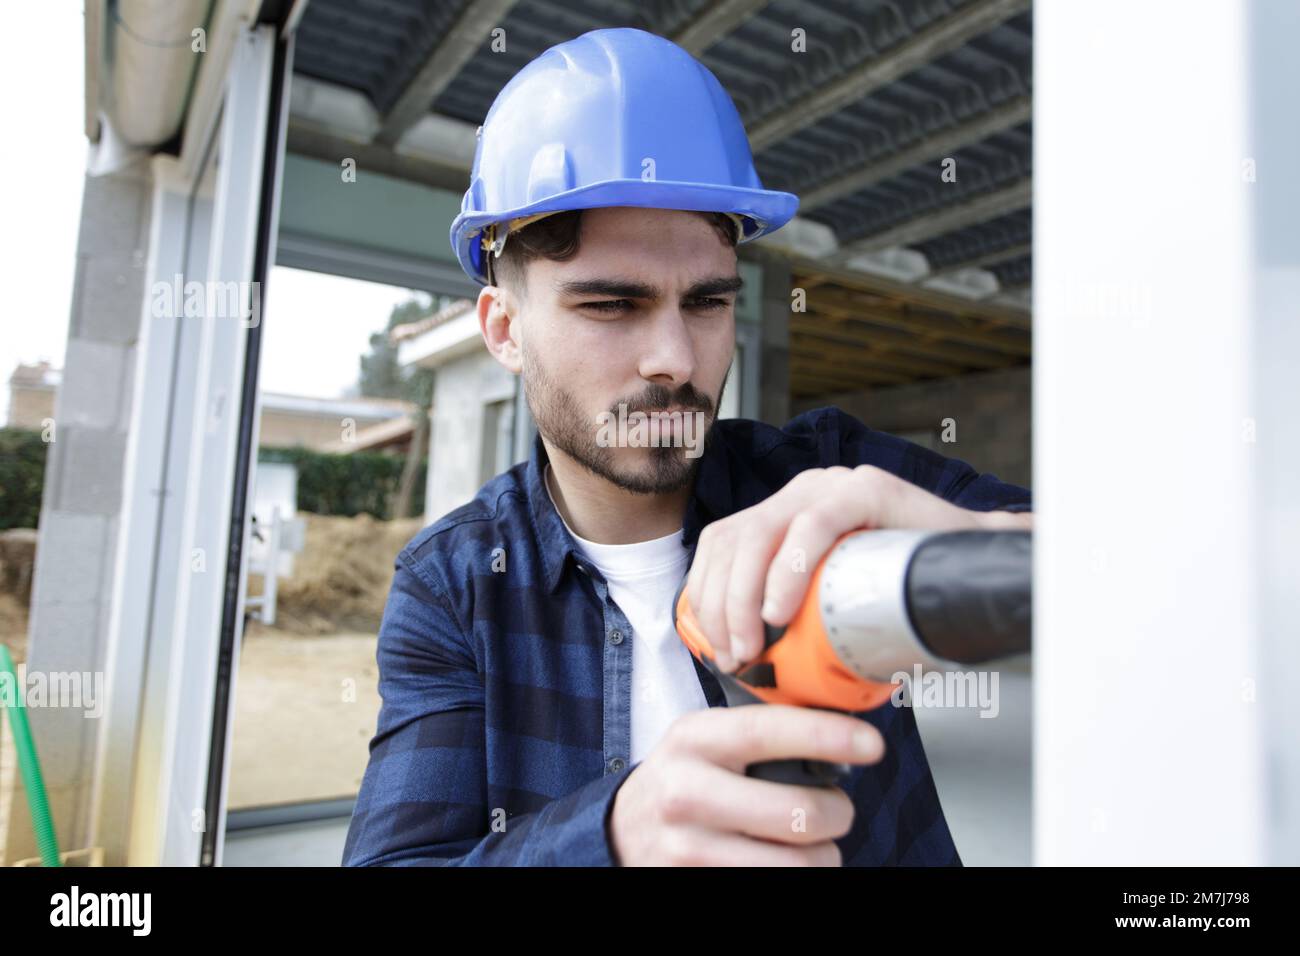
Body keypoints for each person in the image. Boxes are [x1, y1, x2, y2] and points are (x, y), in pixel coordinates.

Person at [342, 27, 1032, 867]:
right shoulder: (454, 584)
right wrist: (613, 836)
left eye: (707, 302)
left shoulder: (828, 476)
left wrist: (958, 544)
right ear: (505, 329)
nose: (675, 357)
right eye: (611, 305)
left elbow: (1156, 579)